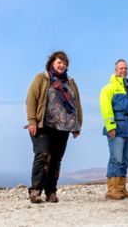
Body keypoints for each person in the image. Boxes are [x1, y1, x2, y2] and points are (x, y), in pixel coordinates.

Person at [25, 50, 83, 203]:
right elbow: (31, 98)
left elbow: (77, 104)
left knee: (56, 160)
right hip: (43, 125)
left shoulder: (70, 82)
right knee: (43, 155)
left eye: (64, 63)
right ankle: (35, 191)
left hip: (63, 127)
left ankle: (51, 192)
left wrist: (77, 125)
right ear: (52, 63)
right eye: (59, 62)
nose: (61, 65)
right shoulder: (42, 78)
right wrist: (32, 121)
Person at [100, 58, 128, 200]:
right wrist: (110, 127)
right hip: (116, 129)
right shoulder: (108, 88)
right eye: (121, 68)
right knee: (116, 159)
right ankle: (112, 190)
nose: (123, 70)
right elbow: (106, 109)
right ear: (116, 70)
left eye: (125, 68)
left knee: (125, 160)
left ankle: (121, 188)